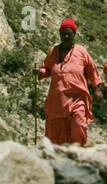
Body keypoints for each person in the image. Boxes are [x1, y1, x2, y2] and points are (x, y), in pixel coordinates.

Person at [35, 18, 102, 146]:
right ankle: (60, 157)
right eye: (63, 34)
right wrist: (40, 72)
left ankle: (78, 151)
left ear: (74, 35)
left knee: (78, 124)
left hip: (78, 97)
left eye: (69, 34)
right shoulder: (53, 51)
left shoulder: (81, 51)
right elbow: (47, 69)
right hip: (58, 99)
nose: (66, 36)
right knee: (56, 134)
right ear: (60, 34)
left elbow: (92, 71)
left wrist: (97, 88)